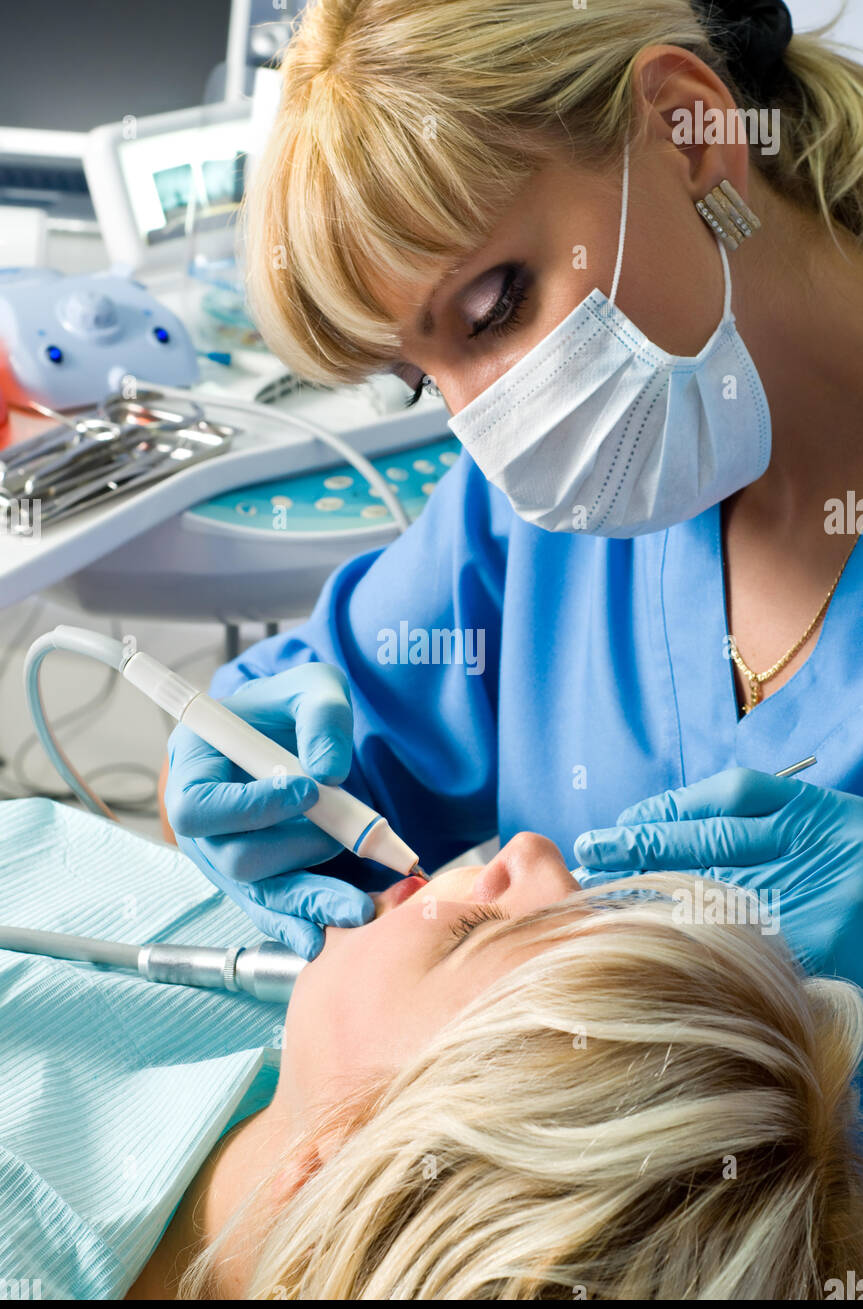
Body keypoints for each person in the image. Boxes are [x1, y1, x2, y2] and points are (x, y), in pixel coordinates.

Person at [162, 0, 863, 962]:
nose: (486, 424)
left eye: (493, 306)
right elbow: (306, 731)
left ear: (685, 133)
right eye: (419, 379)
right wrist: (247, 786)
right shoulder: (555, 500)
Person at [120, 834, 863, 1301]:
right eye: (599, 906)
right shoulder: (287, 979)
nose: (531, 851)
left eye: (473, 933)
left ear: (337, 1177)